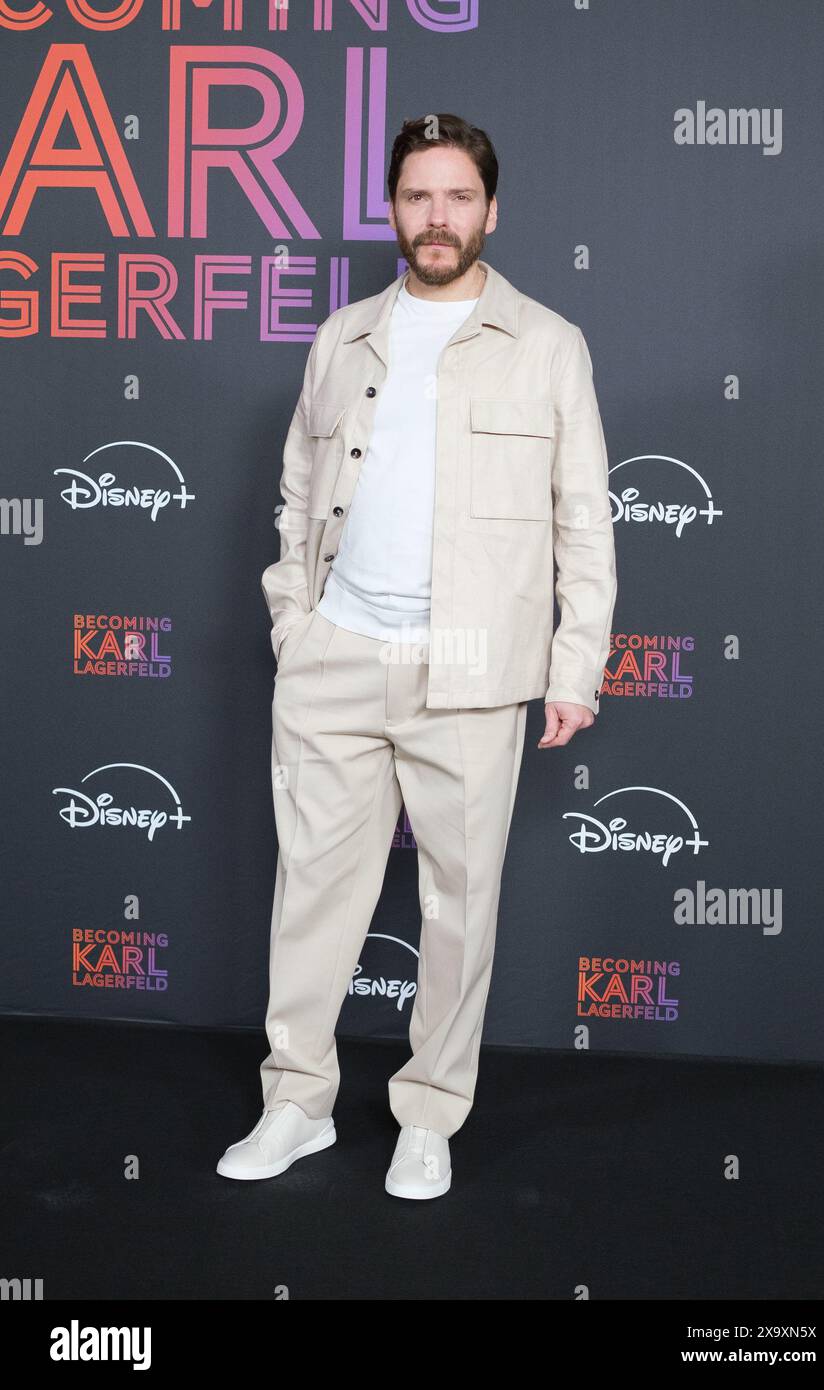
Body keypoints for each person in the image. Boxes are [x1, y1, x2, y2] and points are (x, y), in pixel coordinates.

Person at [217, 113, 617, 1199]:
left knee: (456, 902)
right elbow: (301, 488)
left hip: (469, 660)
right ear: (390, 209)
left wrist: (573, 664)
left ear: (490, 210)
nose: (434, 218)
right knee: (312, 895)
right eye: (414, 197)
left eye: (455, 197)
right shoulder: (342, 335)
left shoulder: (547, 343)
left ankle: (428, 1116)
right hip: (334, 654)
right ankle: (295, 1102)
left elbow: (583, 519)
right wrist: (293, 622)